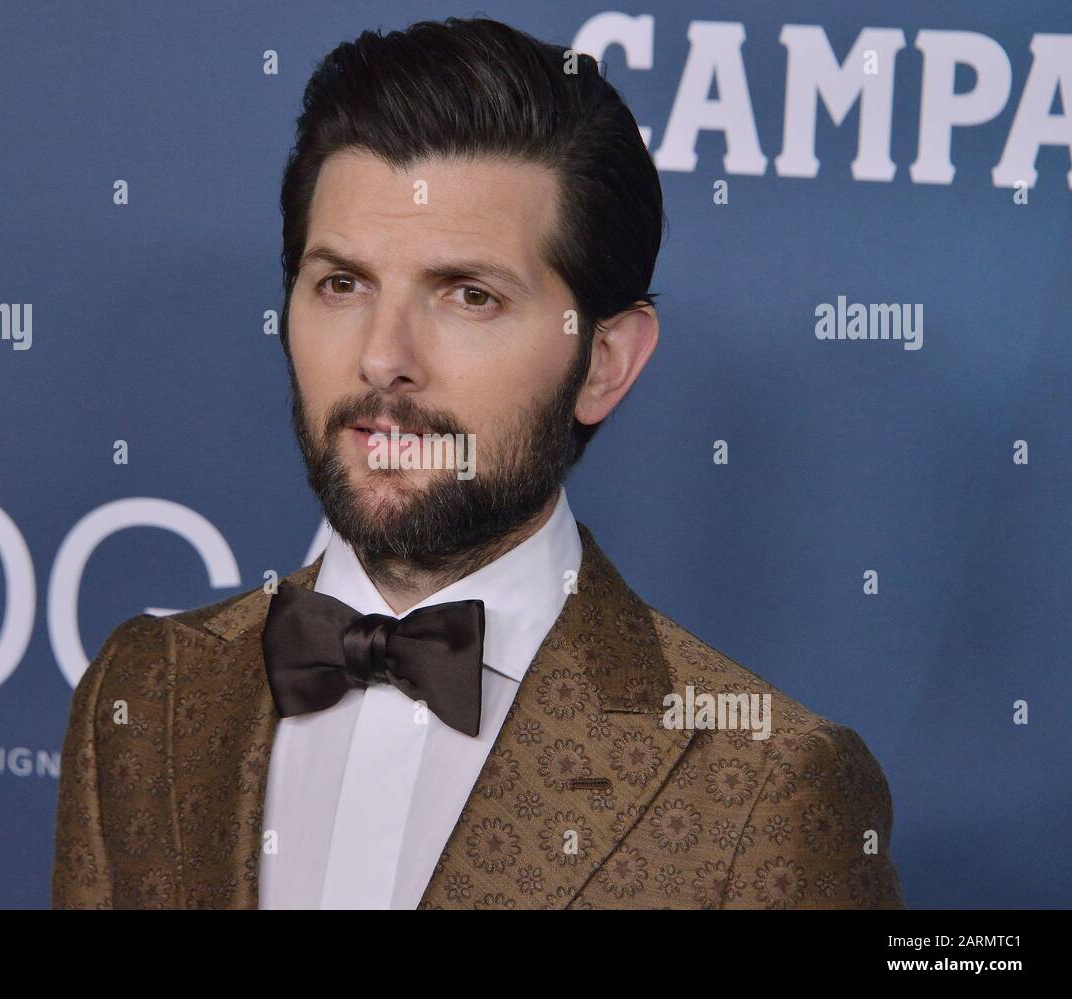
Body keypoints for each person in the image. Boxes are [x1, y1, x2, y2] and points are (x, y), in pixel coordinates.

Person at [51, 16, 904, 909]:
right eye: (342, 284)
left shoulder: (768, 793)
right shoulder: (145, 691)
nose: (384, 357)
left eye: (469, 296)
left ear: (604, 361)